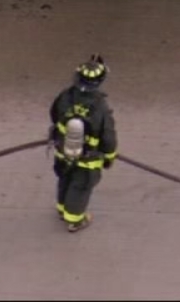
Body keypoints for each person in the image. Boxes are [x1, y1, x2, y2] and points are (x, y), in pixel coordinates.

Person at [49, 56, 118, 231]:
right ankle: (74, 220)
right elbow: (108, 135)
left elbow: (53, 113)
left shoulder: (66, 95)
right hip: (88, 157)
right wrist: (110, 156)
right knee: (80, 186)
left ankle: (62, 209)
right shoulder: (100, 106)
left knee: (65, 178)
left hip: (62, 149)